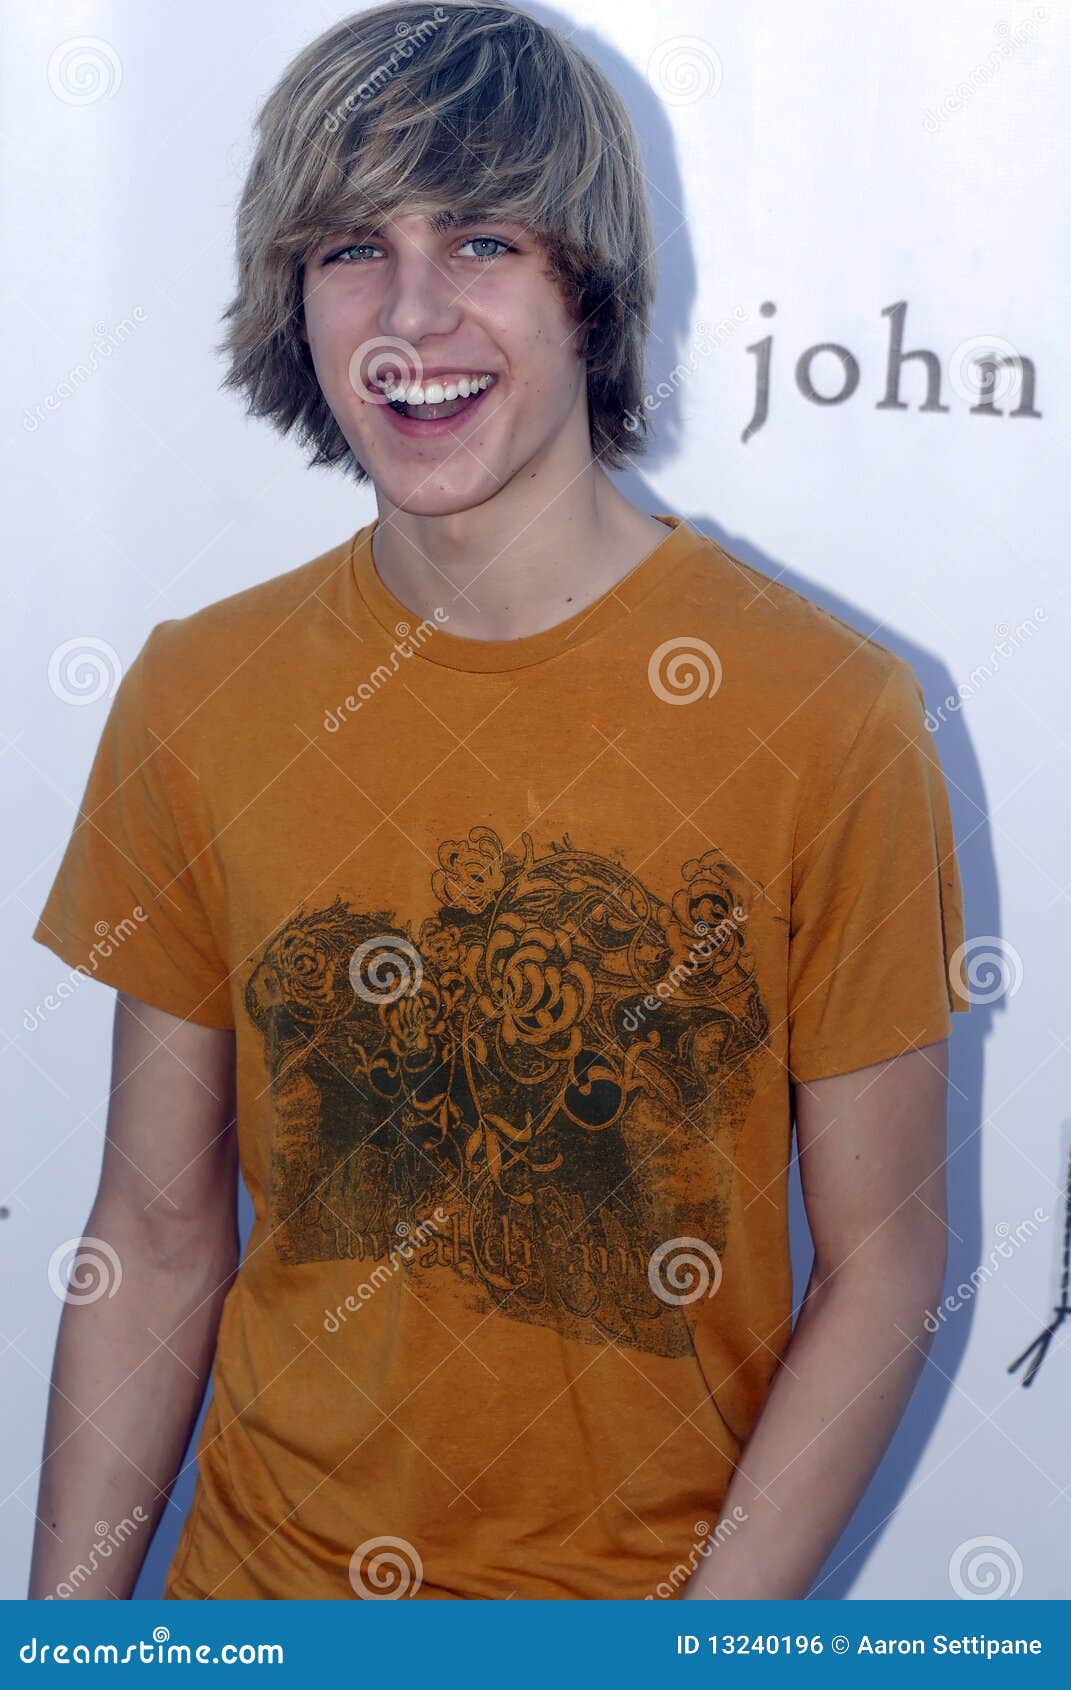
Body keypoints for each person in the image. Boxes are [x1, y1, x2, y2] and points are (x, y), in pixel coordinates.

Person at [28, 1, 969, 1602]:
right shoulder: (203, 689)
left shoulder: (832, 712)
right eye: (349, 248)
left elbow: (886, 1258)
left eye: (480, 244)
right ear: (292, 299)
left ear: (588, 291)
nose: (410, 315)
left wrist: (702, 1648)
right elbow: (156, 1227)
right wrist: (62, 1643)